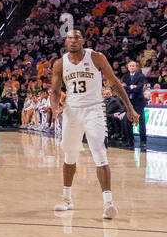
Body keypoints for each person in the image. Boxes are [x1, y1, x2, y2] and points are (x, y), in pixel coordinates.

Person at [49, 28, 139, 219]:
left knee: (99, 151)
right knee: (69, 154)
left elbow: (114, 82)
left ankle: (108, 202)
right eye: (69, 38)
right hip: (72, 112)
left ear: (83, 40)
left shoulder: (96, 57)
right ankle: (67, 198)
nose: (73, 41)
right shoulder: (59, 63)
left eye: (76, 37)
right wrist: (55, 107)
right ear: (65, 42)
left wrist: (130, 108)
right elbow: (55, 90)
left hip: (94, 110)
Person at [123, 58, 147, 147]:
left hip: (139, 102)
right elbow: (123, 88)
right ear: (128, 67)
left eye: (133, 66)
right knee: (127, 121)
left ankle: (143, 141)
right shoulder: (125, 77)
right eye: (130, 66)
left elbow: (139, 88)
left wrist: (129, 87)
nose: (132, 67)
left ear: (136, 67)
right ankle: (130, 141)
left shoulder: (141, 76)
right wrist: (132, 87)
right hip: (129, 102)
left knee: (141, 121)